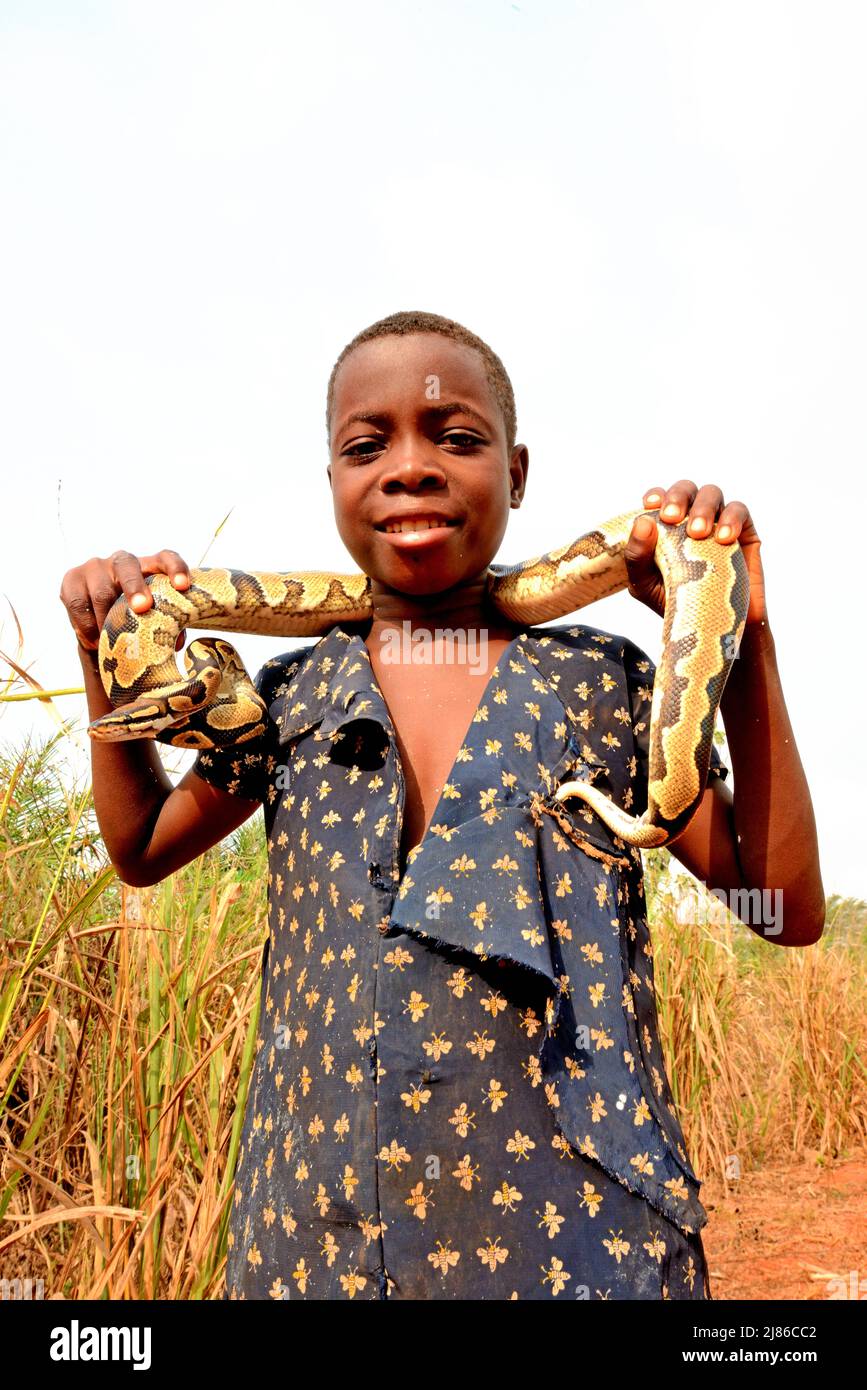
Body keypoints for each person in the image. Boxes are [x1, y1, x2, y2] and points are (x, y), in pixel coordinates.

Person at [61, 309, 824, 1300]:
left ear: (516, 472)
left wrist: (738, 636)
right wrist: (101, 652)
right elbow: (142, 848)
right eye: (365, 446)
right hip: (323, 1230)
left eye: (455, 438)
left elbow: (787, 906)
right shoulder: (289, 697)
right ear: (332, 480)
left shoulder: (601, 683)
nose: (409, 467)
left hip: (577, 1237)